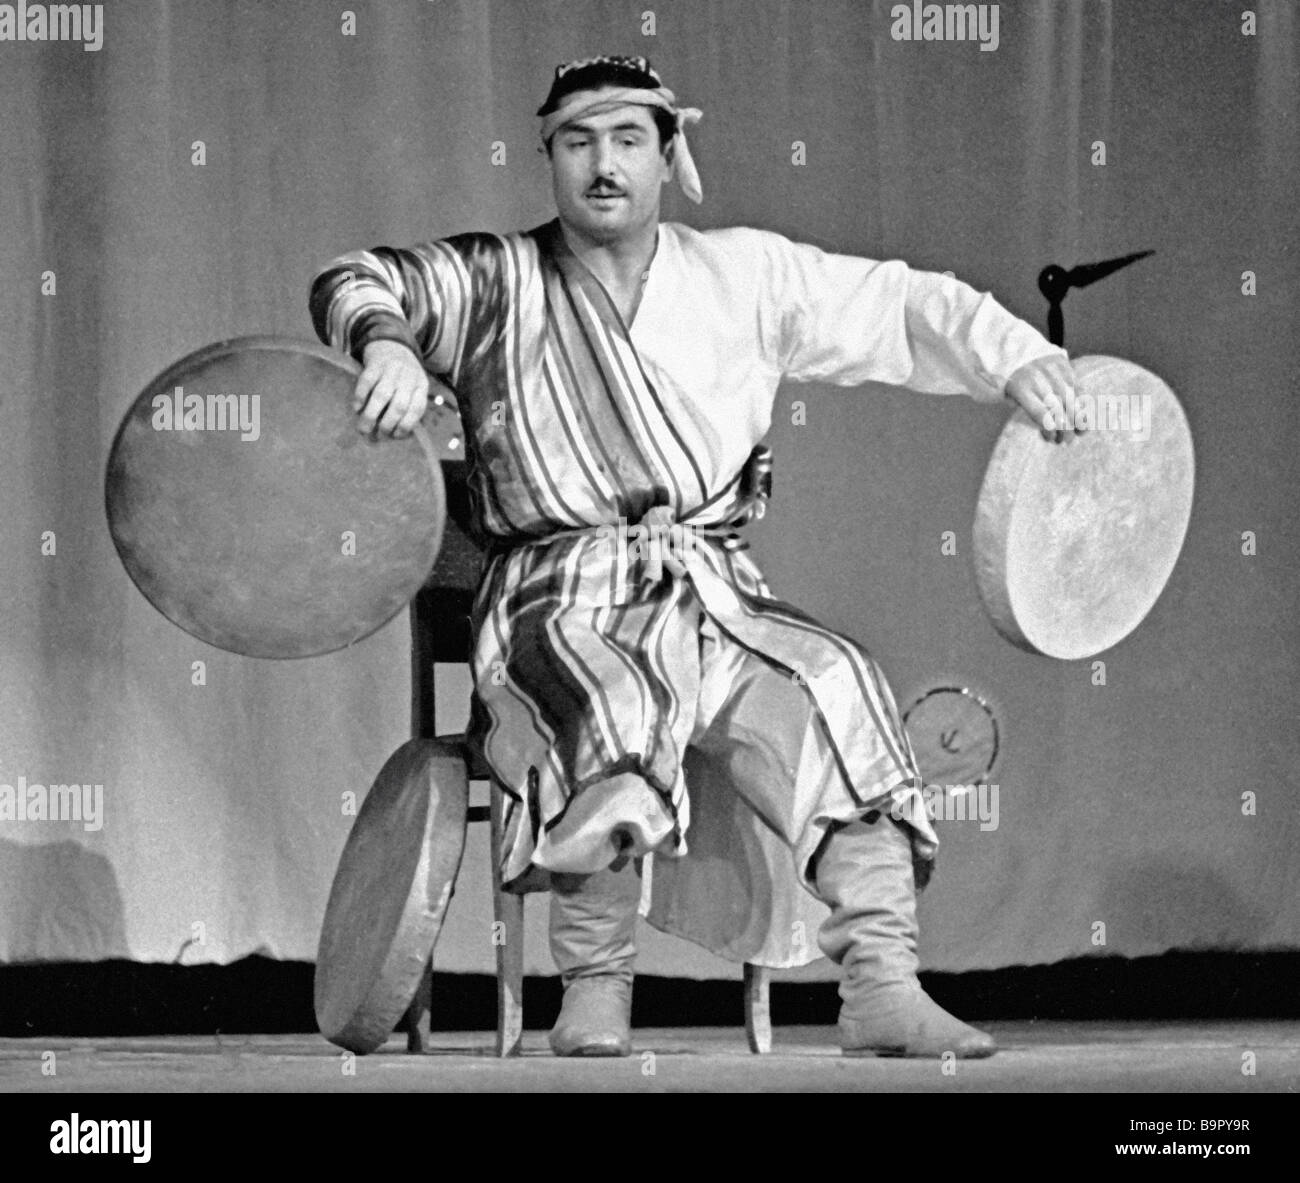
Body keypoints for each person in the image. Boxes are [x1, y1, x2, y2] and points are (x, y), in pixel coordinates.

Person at [309, 54, 1080, 1060]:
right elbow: (356, 277)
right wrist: (389, 344)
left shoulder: (744, 274)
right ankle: (592, 988)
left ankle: (881, 983)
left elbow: (896, 306)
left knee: (836, 683)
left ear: (669, 155)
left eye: (628, 139)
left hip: (709, 590)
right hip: (557, 594)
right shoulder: (497, 280)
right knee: (607, 695)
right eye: (578, 140)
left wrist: (1019, 360)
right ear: (548, 154)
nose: (603, 164)